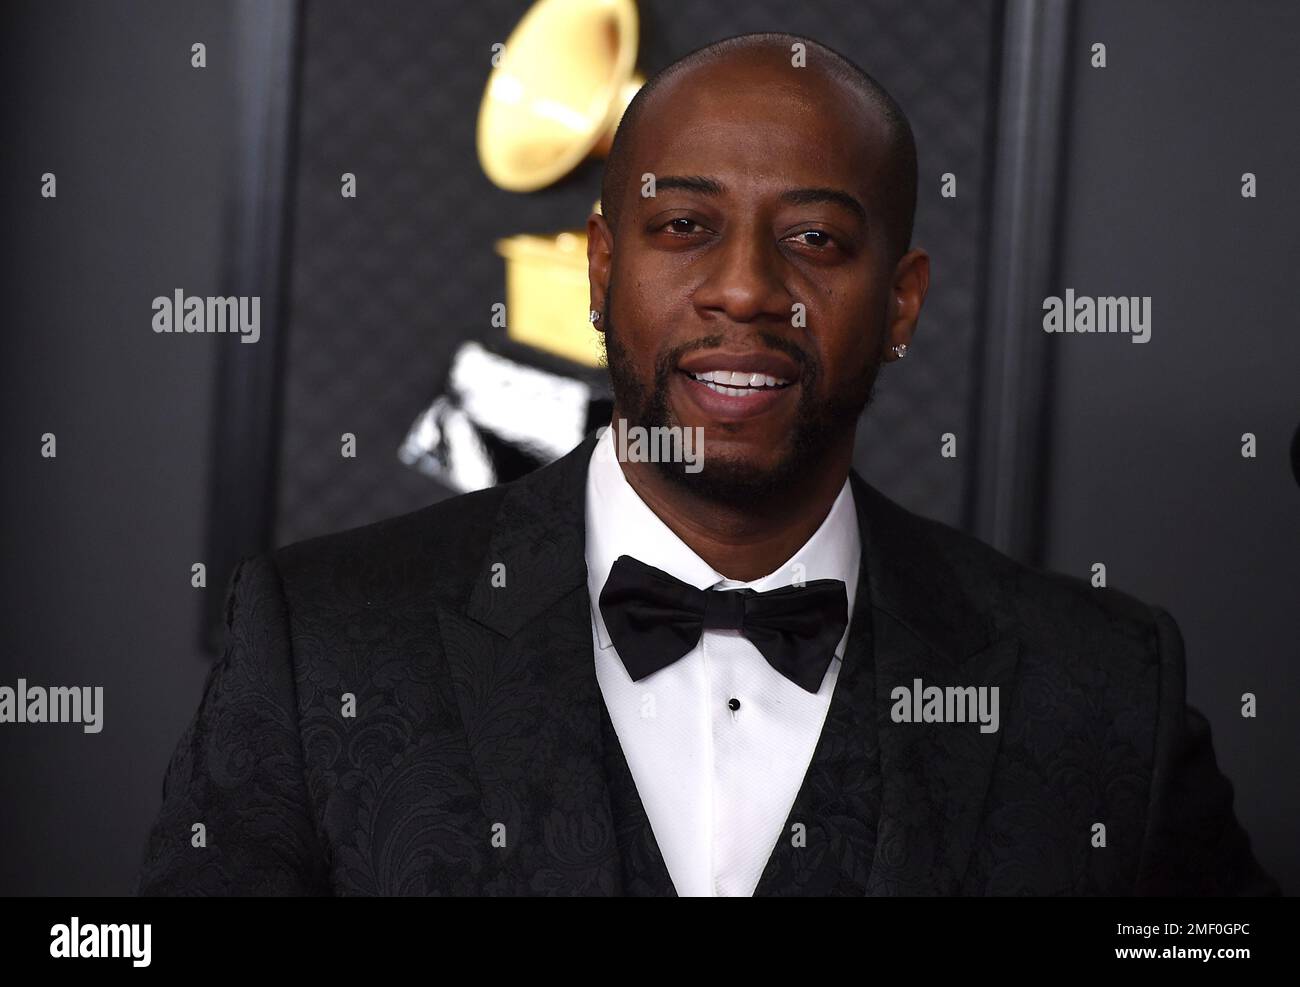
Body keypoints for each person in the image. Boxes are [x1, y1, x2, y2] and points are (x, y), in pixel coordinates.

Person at [137, 33, 1278, 896]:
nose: (744, 287)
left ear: (902, 303)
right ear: (597, 270)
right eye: (683, 227)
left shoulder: (1101, 687)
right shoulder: (321, 635)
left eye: (815, 240)